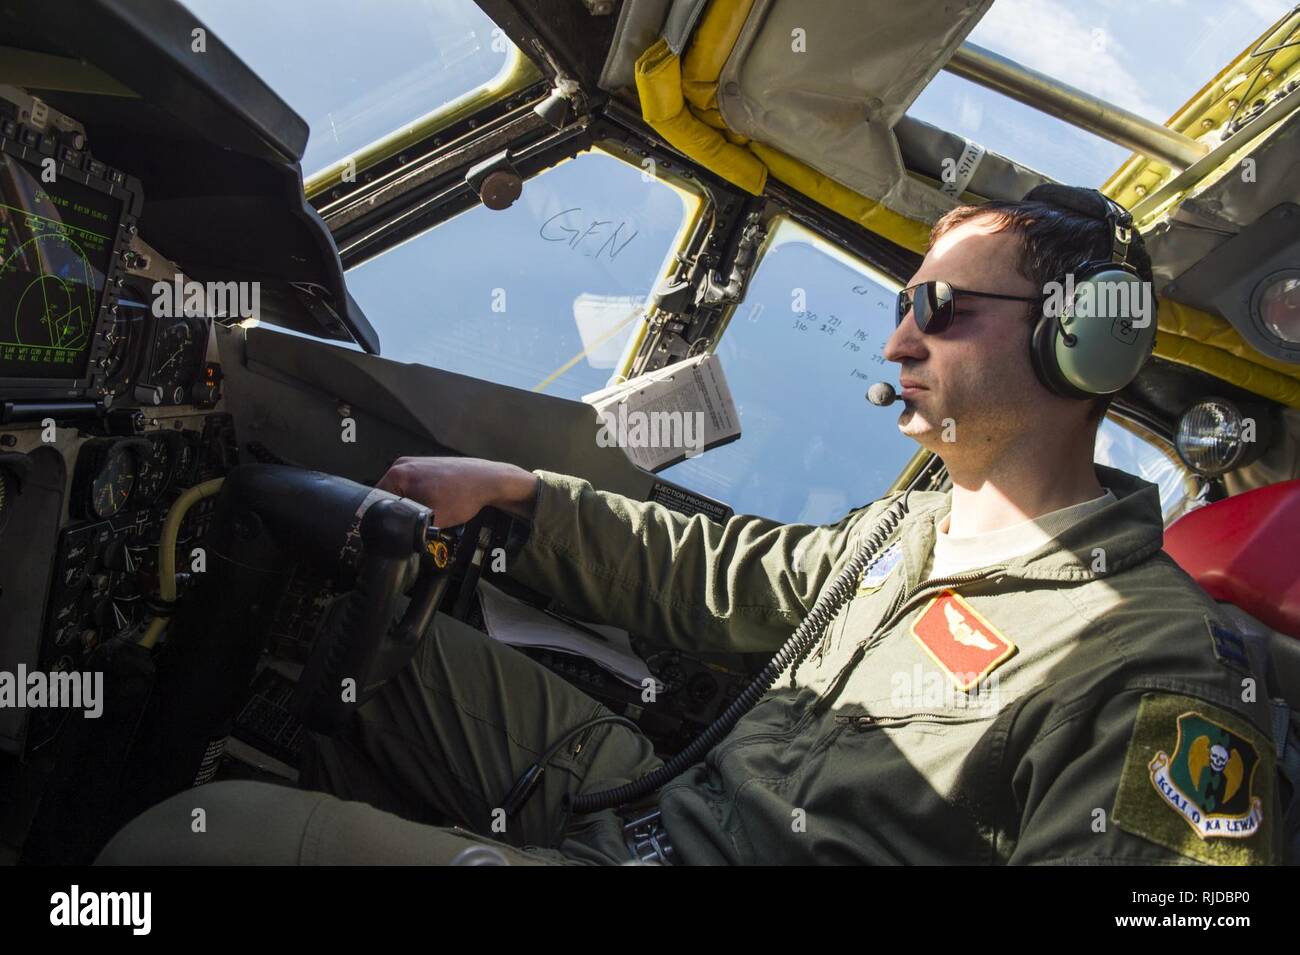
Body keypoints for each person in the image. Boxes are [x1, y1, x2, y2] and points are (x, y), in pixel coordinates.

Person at [98, 187, 1284, 865]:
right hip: (654, 805)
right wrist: (521, 492)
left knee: (192, 849)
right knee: (325, 610)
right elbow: (729, 571)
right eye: (897, 304)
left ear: (1084, 339)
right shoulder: (921, 530)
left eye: (939, 308)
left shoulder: (1151, 673)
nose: (896, 340)